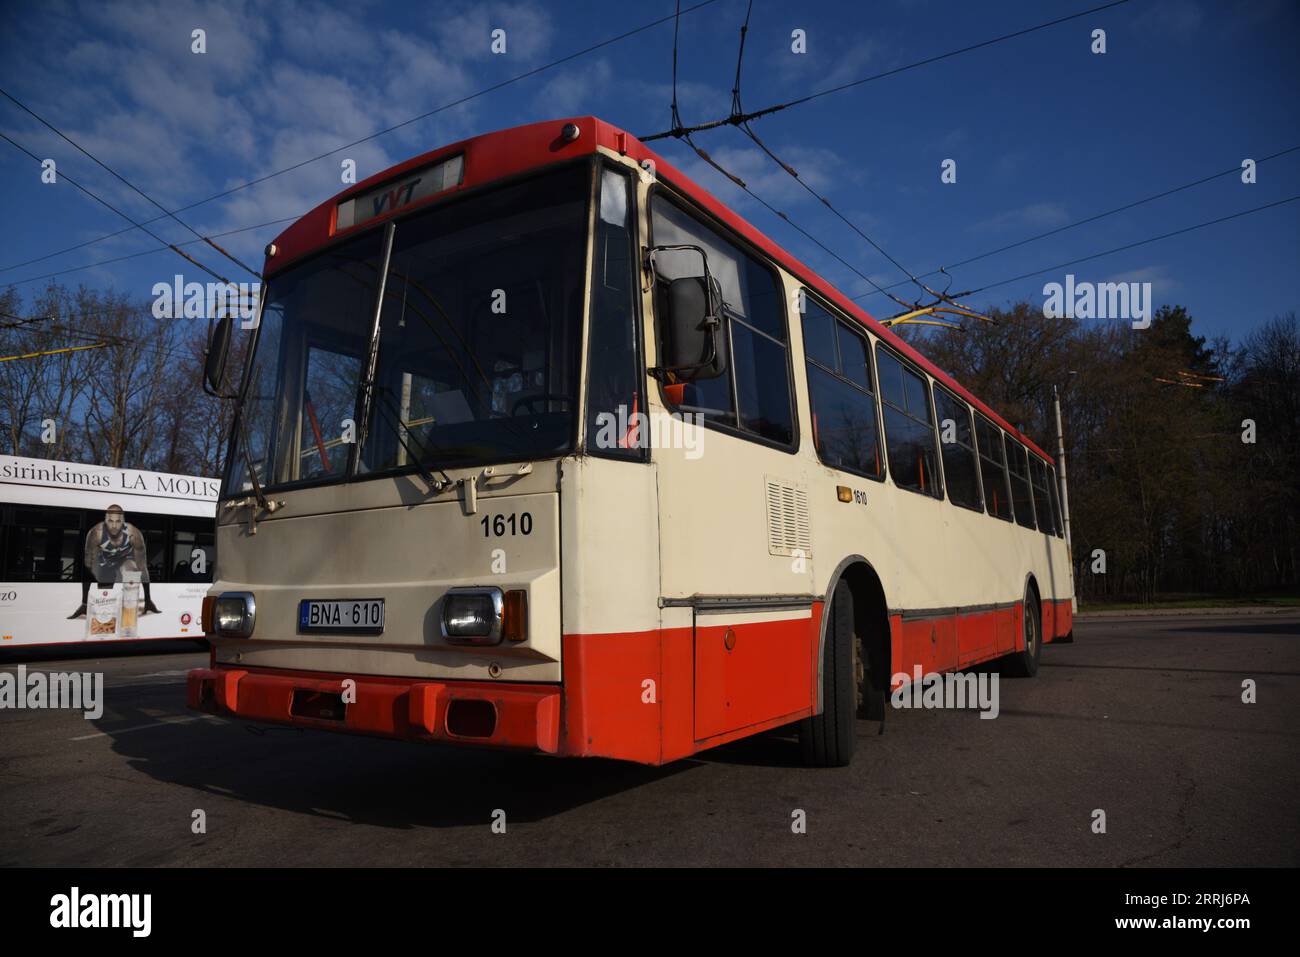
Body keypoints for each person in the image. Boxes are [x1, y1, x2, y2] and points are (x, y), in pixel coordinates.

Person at [67, 505, 161, 619]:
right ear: (105, 520)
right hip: (105, 560)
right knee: (101, 581)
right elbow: (88, 566)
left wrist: (148, 599)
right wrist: (84, 602)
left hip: (125, 559)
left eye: (118, 521)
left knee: (132, 569)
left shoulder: (133, 534)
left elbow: (142, 566)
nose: (114, 526)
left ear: (123, 522)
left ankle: (128, 609)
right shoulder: (96, 533)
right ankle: (103, 606)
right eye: (110, 521)